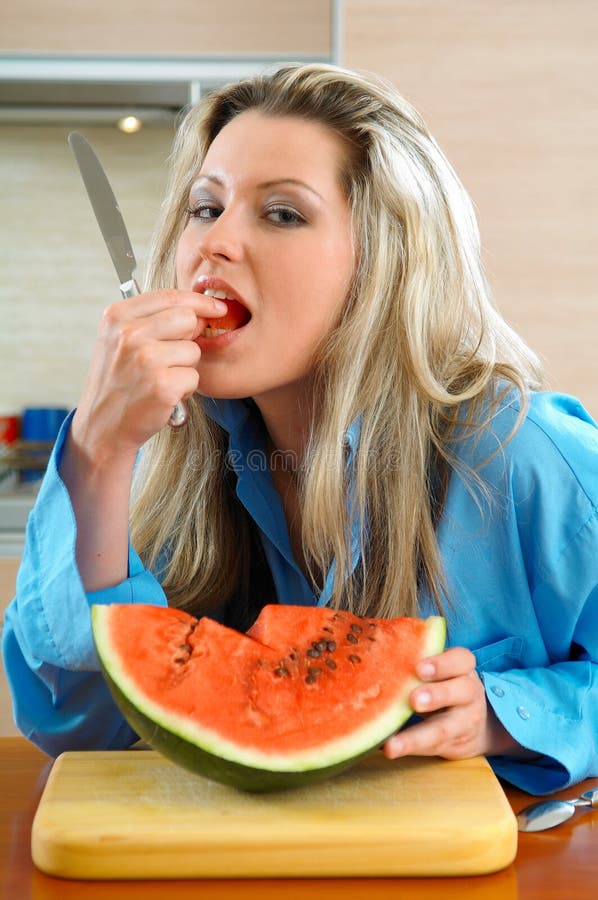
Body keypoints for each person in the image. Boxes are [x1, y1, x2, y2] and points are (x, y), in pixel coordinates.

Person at [3, 63, 597, 796]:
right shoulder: (179, 464)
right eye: (204, 208)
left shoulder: (526, 455)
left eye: (282, 213)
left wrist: (509, 716)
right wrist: (97, 453)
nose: (214, 244)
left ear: (384, 261)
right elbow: (82, 728)